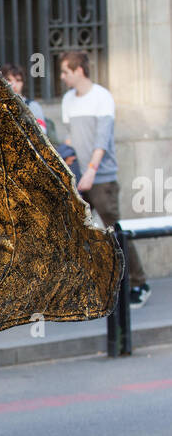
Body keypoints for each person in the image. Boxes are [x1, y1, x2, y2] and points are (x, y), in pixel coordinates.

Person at [59, 51, 149, 306]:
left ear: (78, 71)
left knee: (113, 231)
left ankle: (139, 283)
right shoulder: (68, 100)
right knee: (74, 231)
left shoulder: (102, 98)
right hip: (79, 178)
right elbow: (71, 138)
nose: (63, 77)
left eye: (66, 71)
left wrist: (90, 171)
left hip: (101, 178)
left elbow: (101, 140)